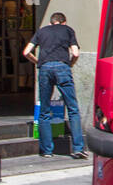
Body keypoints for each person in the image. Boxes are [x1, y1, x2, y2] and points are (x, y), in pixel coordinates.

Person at [22, 12, 86, 159]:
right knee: (72, 109)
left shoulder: (41, 31)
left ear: (51, 23)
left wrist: (38, 62)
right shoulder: (68, 30)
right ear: (63, 22)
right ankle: (77, 148)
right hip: (62, 67)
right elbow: (75, 53)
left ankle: (47, 150)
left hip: (44, 68)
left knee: (44, 111)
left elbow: (26, 52)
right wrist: (69, 65)